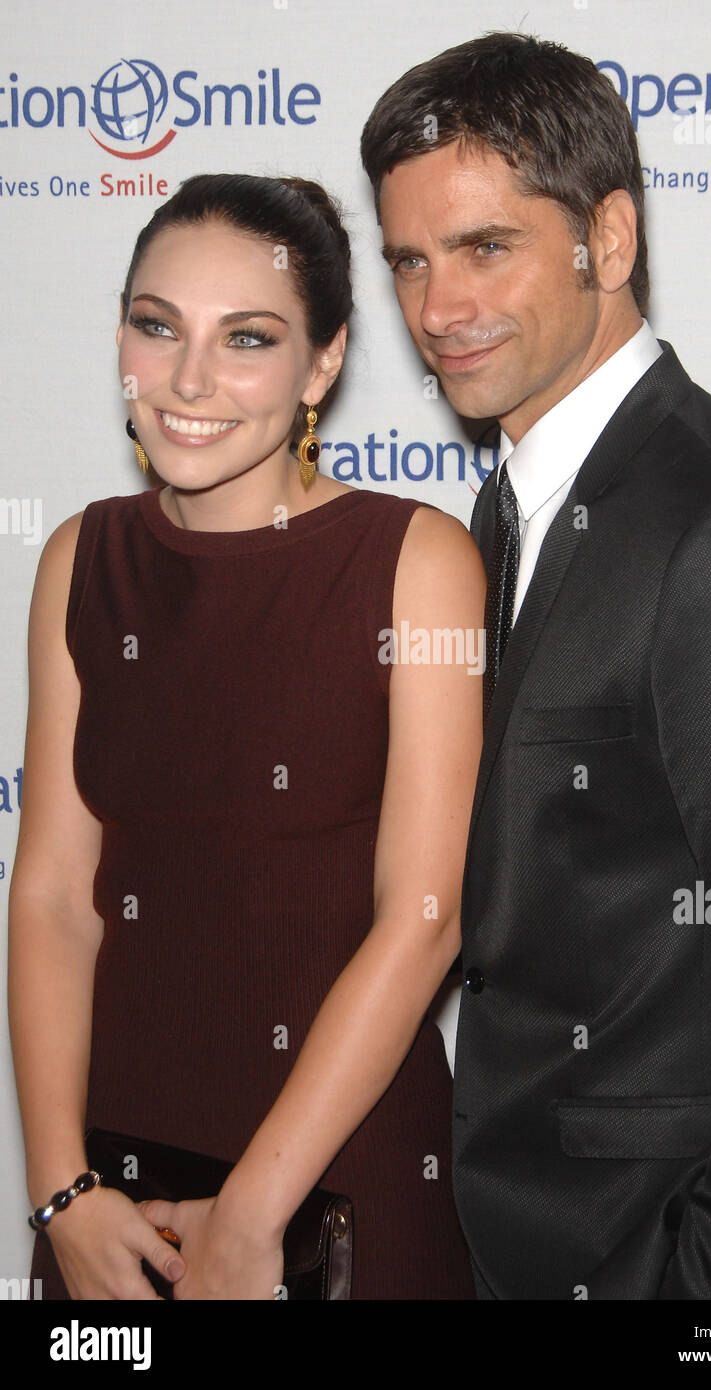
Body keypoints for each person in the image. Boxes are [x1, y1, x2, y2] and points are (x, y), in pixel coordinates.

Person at [361, 33, 711, 1299]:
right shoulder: (506, 512)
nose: (437, 310)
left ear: (611, 240)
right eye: (408, 262)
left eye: (484, 248)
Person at [8, 172, 483, 1300]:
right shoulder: (82, 558)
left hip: (341, 1189)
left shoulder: (416, 563)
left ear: (323, 365)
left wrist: (251, 1213)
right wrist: (61, 1190)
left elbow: (424, 920)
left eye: (248, 338)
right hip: (108, 1204)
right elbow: (54, 898)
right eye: (156, 324)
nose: (187, 379)